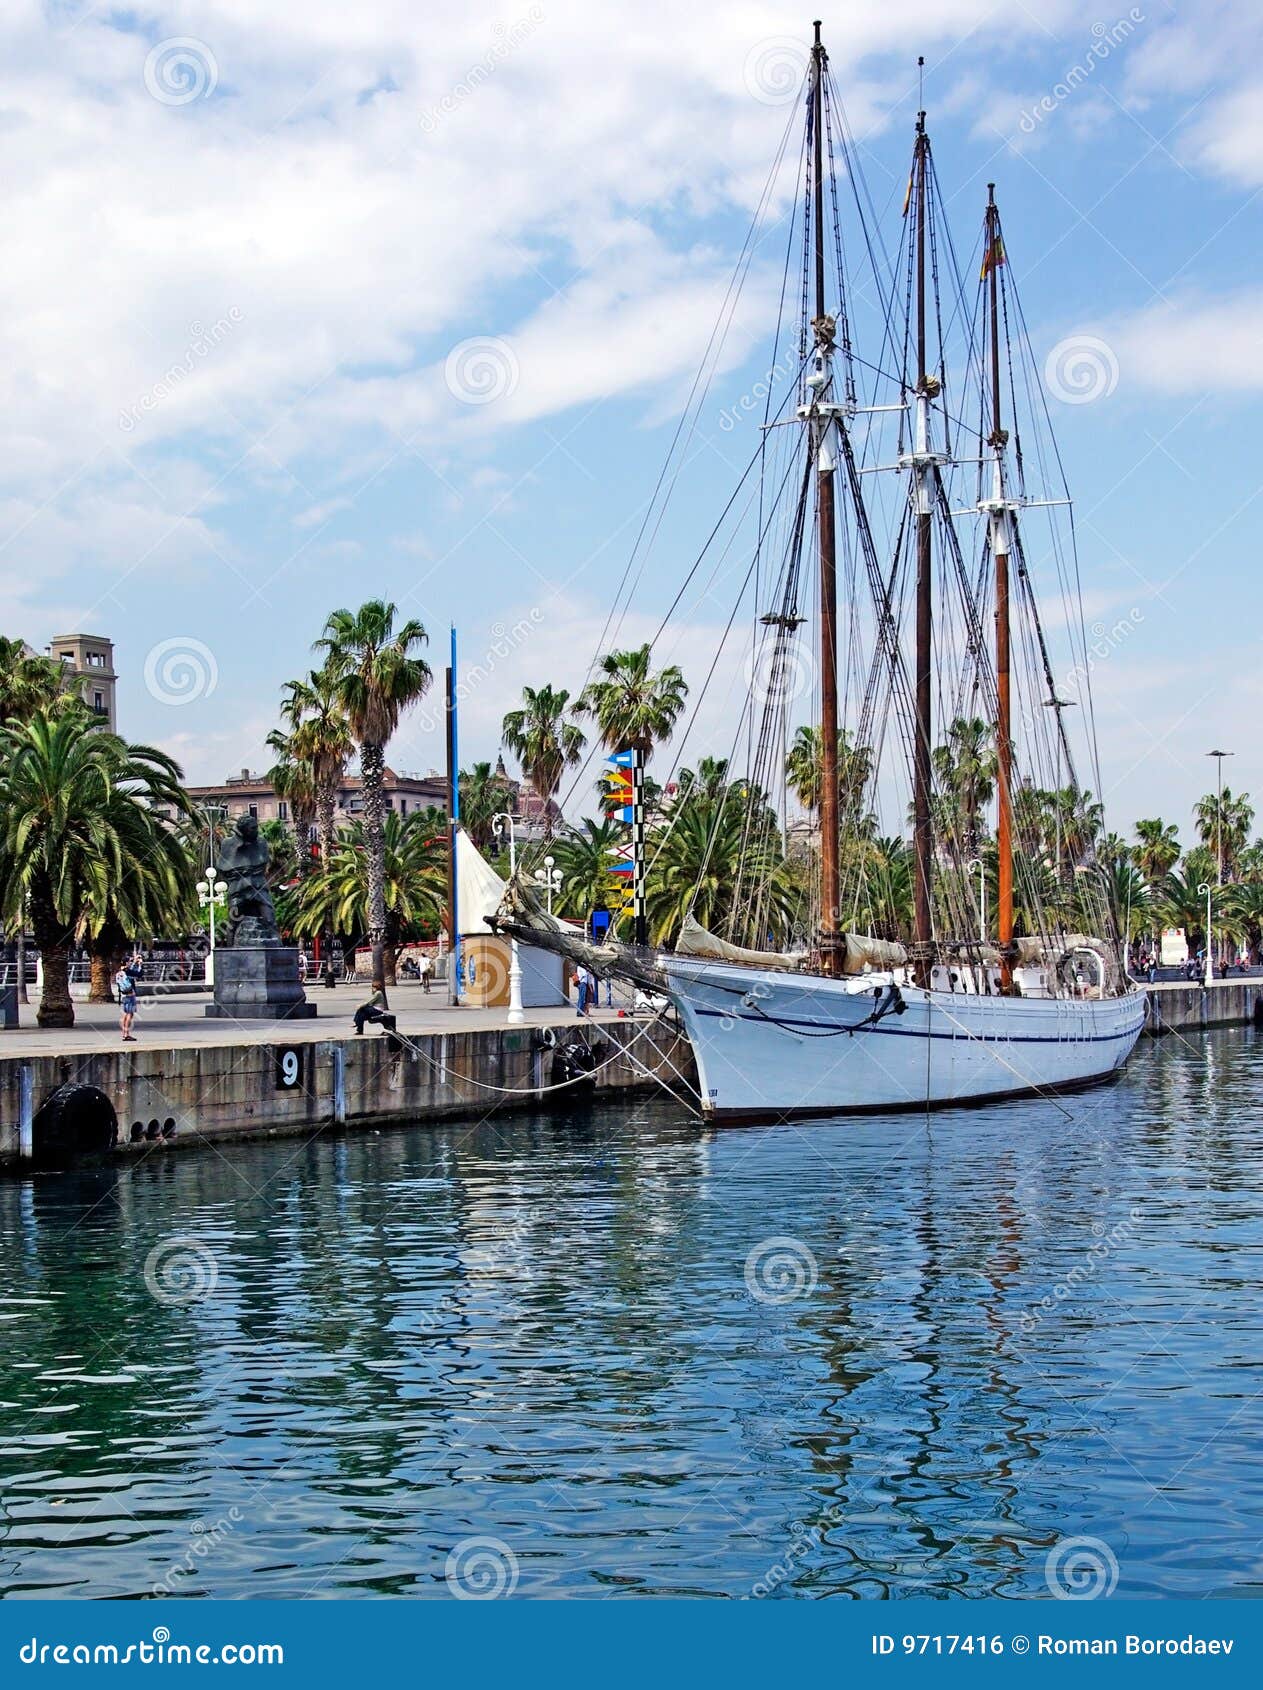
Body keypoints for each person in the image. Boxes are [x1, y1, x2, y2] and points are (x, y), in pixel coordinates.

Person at [115, 959, 139, 1042]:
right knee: (130, 1014)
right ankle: (126, 1034)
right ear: (126, 963)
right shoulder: (127, 971)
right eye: (129, 961)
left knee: (125, 1014)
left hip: (123, 995)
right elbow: (138, 974)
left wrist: (135, 962)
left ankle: (124, 1033)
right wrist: (139, 964)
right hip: (130, 995)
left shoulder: (119, 973)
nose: (130, 963)